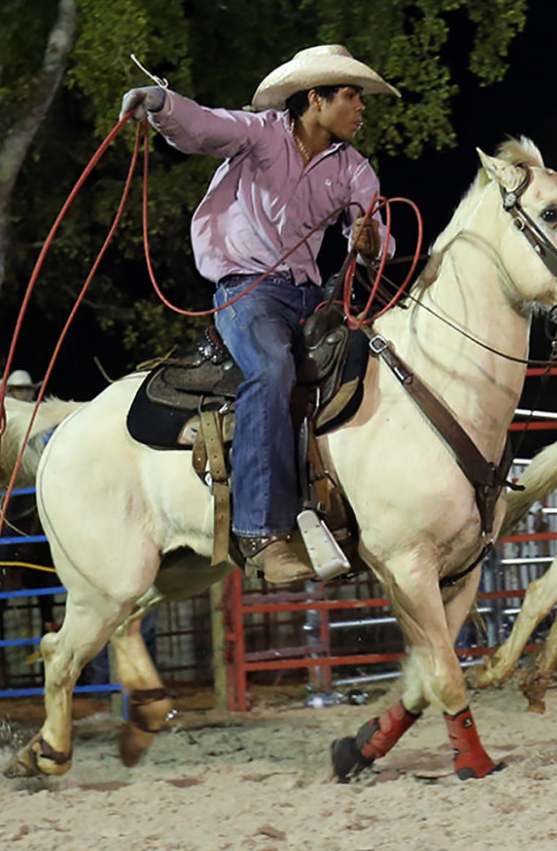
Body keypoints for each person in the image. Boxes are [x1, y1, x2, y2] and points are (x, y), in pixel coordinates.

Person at [121, 44, 396, 585]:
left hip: (309, 295)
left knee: (379, 359)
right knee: (270, 369)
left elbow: (376, 235)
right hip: (246, 290)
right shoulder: (261, 134)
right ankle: (259, 530)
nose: (360, 109)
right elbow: (203, 127)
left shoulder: (354, 170)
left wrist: (368, 244)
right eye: (351, 97)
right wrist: (161, 103)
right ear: (315, 99)